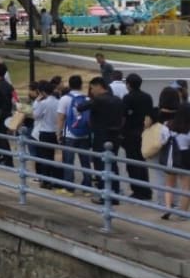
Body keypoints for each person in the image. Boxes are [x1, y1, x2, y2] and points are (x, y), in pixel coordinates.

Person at [77, 76, 126, 204]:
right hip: (115, 136)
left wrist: (89, 99)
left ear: (98, 86)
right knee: (113, 165)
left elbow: (80, 107)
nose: (92, 91)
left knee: (101, 166)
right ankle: (114, 194)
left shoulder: (98, 100)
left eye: (92, 88)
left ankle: (105, 195)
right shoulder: (117, 100)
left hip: (101, 136)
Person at [56, 75, 93, 194]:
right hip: (84, 134)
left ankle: (69, 187)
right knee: (85, 162)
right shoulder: (87, 99)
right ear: (81, 85)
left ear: (69, 85)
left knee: (68, 161)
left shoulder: (65, 99)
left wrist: (59, 132)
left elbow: (61, 117)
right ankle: (87, 187)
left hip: (70, 134)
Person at [120, 73, 154, 201]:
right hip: (143, 132)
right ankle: (146, 190)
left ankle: (137, 191)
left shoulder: (128, 98)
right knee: (142, 162)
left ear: (128, 84)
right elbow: (149, 115)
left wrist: (120, 131)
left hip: (130, 134)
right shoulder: (147, 97)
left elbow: (123, 117)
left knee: (132, 163)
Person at [157, 102, 190, 221]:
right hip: (186, 157)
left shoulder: (167, 125)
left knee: (169, 184)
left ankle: (168, 208)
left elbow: (162, 141)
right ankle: (183, 213)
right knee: (186, 187)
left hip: (171, 157)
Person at [30, 80, 61, 189]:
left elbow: (35, 116)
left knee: (44, 157)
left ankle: (45, 180)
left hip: (44, 132)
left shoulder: (43, 103)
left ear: (43, 92)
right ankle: (52, 178)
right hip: (54, 132)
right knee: (51, 156)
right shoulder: (58, 102)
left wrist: (37, 102)